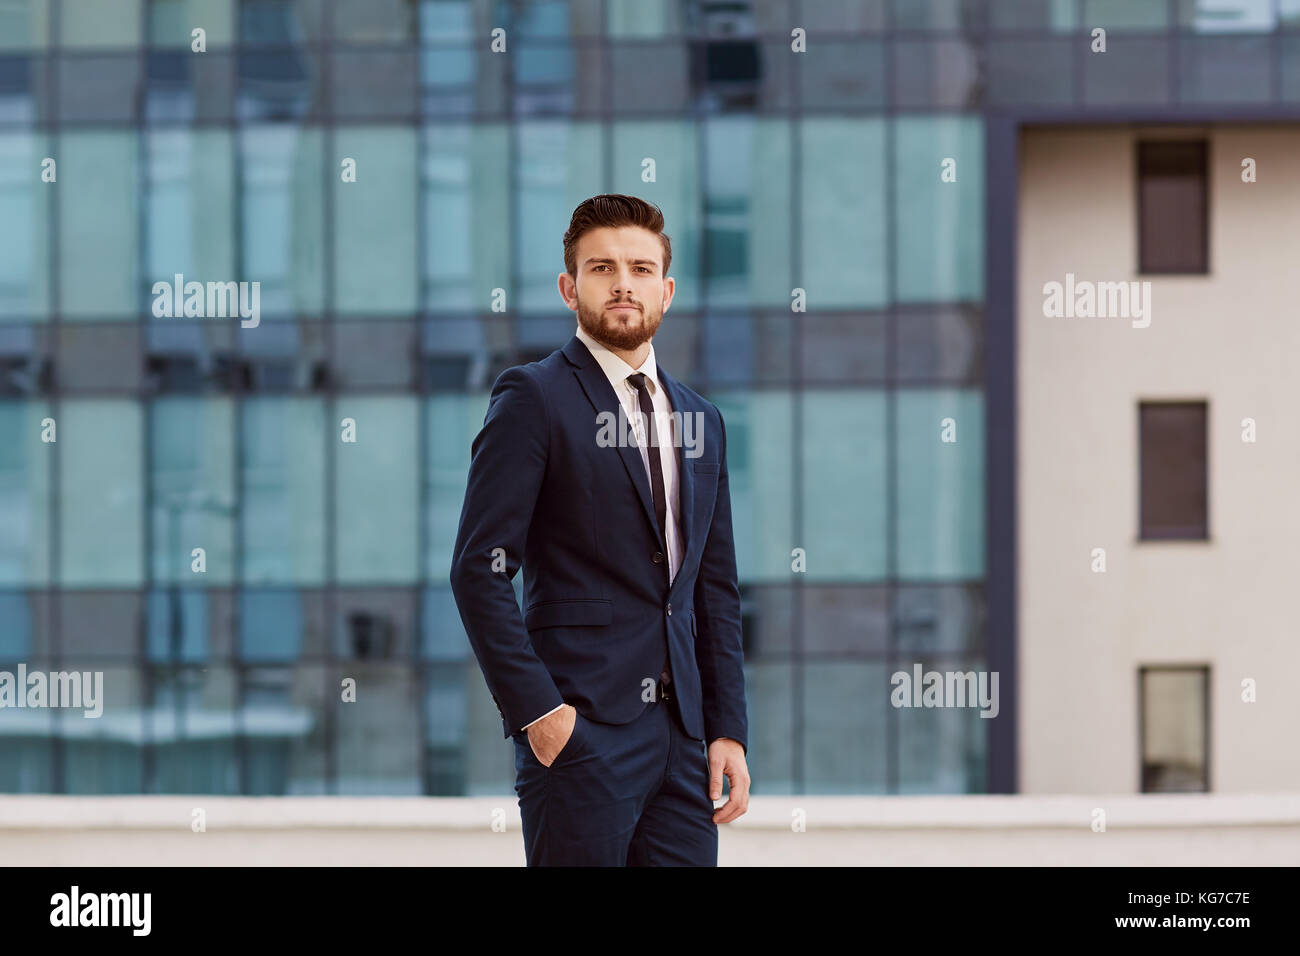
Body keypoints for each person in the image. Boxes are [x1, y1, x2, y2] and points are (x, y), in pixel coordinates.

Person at [450, 194, 750, 866]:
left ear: (666, 291)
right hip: (582, 736)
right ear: (569, 287)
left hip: (683, 744)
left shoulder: (703, 420)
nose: (623, 283)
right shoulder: (534, 397)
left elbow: (715, 591)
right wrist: (542, 717)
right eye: (602, 268)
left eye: (641, 269)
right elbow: (479, 570)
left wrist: (727, 730)